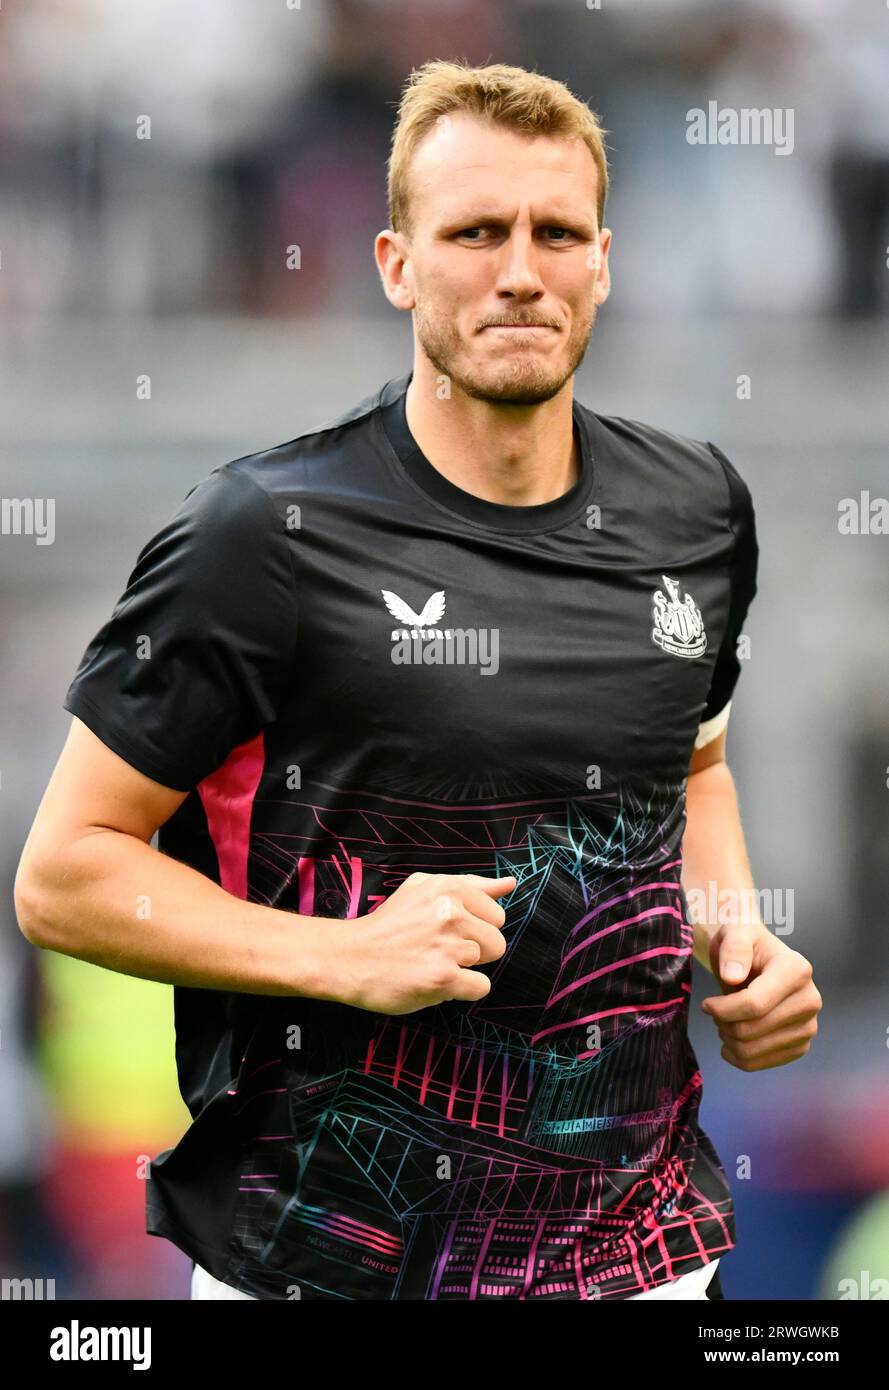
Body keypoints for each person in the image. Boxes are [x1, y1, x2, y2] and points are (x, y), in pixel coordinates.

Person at [14, 59, 822, 1302]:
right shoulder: (257, 533)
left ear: (601, 260)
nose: (517, 271)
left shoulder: (697, 508)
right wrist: (341, 955)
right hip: (320, 1266)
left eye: (555, 233)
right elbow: (63, 876)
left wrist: (734, 936)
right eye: (475, 233)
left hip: (640, 1261)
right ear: (396, 262)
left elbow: (694, 763)